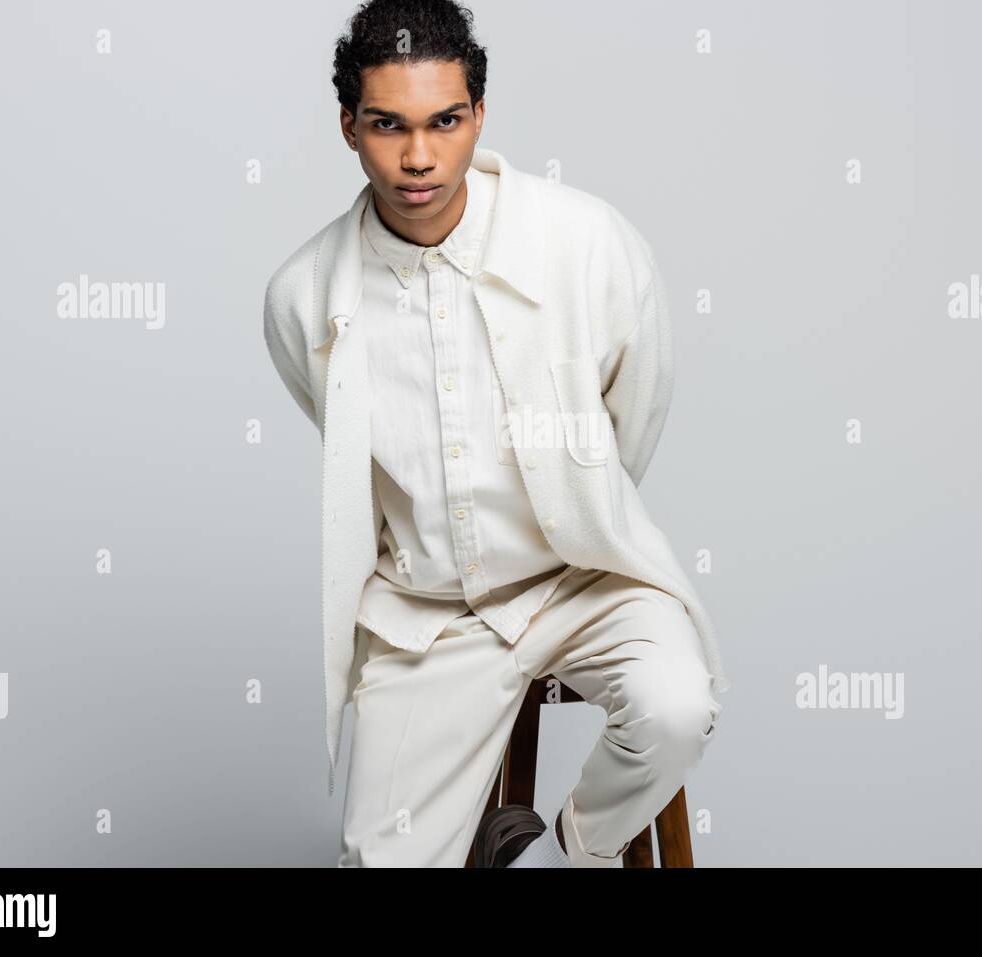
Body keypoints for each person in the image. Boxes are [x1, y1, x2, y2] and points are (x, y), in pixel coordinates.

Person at [263, 0, 730, 867]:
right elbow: (343, 442)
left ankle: (556, 856)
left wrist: (574, 509)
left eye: (445, 121)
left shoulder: (587, 244)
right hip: (431, 619)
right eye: (386, 125)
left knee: (675, 704)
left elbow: (637, 409)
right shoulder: (303, 298)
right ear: (347, 127)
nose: (418, 157)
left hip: (586, 581)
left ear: (479, 113)